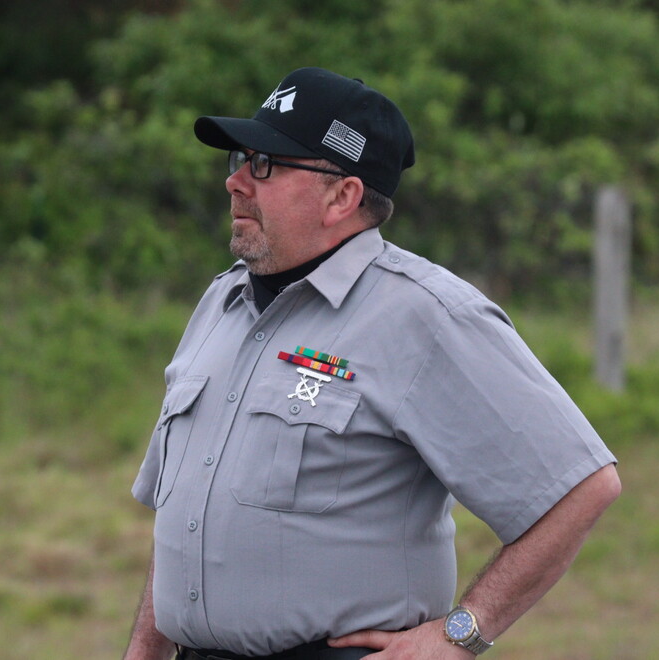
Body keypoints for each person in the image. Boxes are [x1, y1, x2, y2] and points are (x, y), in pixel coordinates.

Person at [123, 67, 621, 660]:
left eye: (265, 165)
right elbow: (185, 518)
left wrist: (460, 634)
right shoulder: (221, 302)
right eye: (239, 158)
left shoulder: (426, 315)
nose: (236, 182)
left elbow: (580, 486)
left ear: (343, 196)